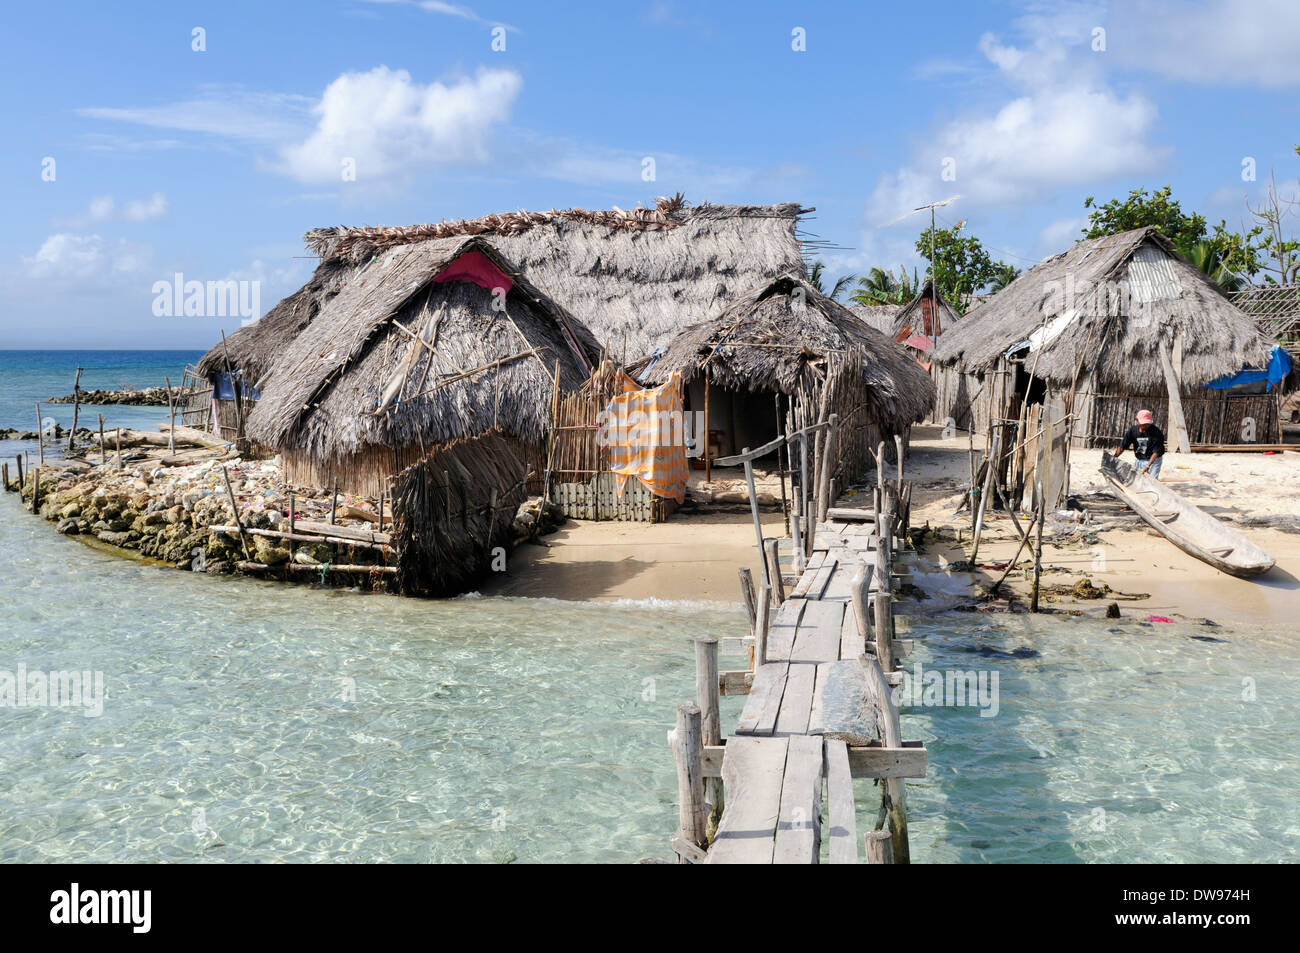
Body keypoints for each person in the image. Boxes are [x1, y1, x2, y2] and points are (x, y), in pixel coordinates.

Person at [1116, 409, 1165, 478]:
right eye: (1143, 424)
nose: (1146, 426)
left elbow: (1156, 452)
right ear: (1137, 421)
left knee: (1151, 481)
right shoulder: (1132, 431)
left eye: (1147, 424)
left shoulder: (1156, 433)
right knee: (1136, 479)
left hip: (1154, 461)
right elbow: (1122, 446)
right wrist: (1114, 457)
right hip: (1139, 459)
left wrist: (1148, 466)